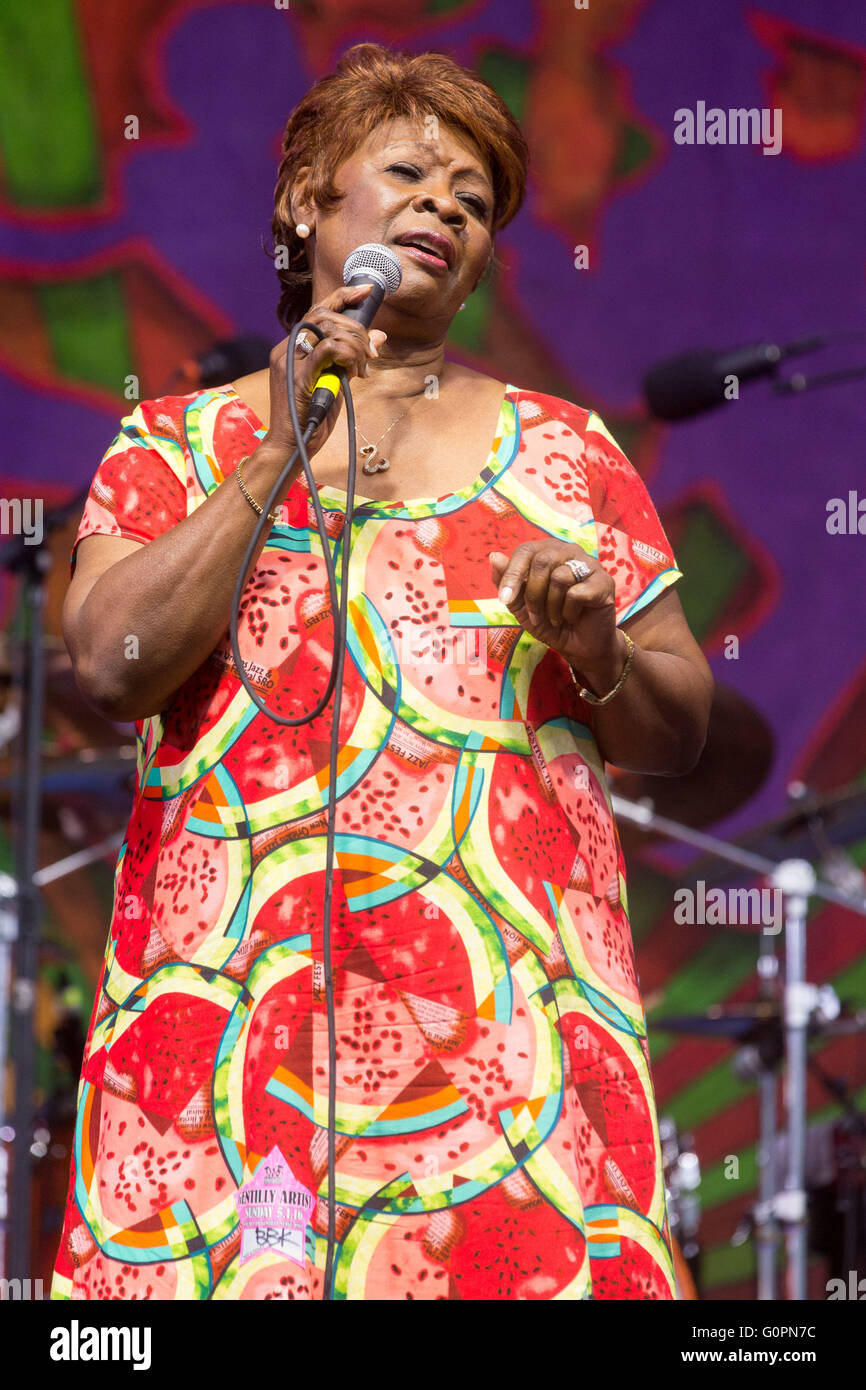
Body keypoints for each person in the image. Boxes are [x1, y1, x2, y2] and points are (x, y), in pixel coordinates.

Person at [51, 42, 713, 1301]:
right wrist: (277, 444)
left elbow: (677, 731)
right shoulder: (173, 440)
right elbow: (113, 661)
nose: (443, 209)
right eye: (408, 173)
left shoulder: (568, 452)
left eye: (472, 203)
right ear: (308, 203)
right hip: (236, 1004)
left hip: (498, 1029)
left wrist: (597, 646)